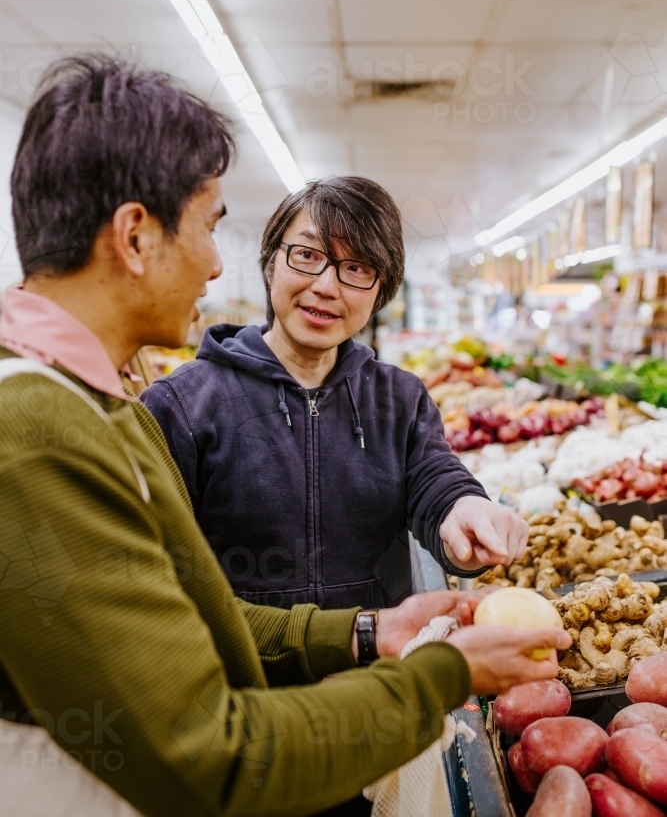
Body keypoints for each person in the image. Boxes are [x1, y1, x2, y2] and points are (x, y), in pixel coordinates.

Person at [0, 55, 568, 817]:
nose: (210, 265)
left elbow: (195, 606)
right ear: (136, 236)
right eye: (209, 229)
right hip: (246, 745)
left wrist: (368, 630)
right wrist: (442, 675)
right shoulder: (79, 423)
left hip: (340, 722)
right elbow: (204, 749)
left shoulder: (106, 409)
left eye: (357, 270)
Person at [144, 177, 529, 610]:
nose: (327, 286)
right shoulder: (182, 405)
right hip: (242, 670)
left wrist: (464, 508)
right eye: (307, 256)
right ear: (272, 264)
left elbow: (434, 478)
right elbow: (153, 575)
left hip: (383, 669)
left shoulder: (400, 398)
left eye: (358, 268)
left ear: (380, 291)